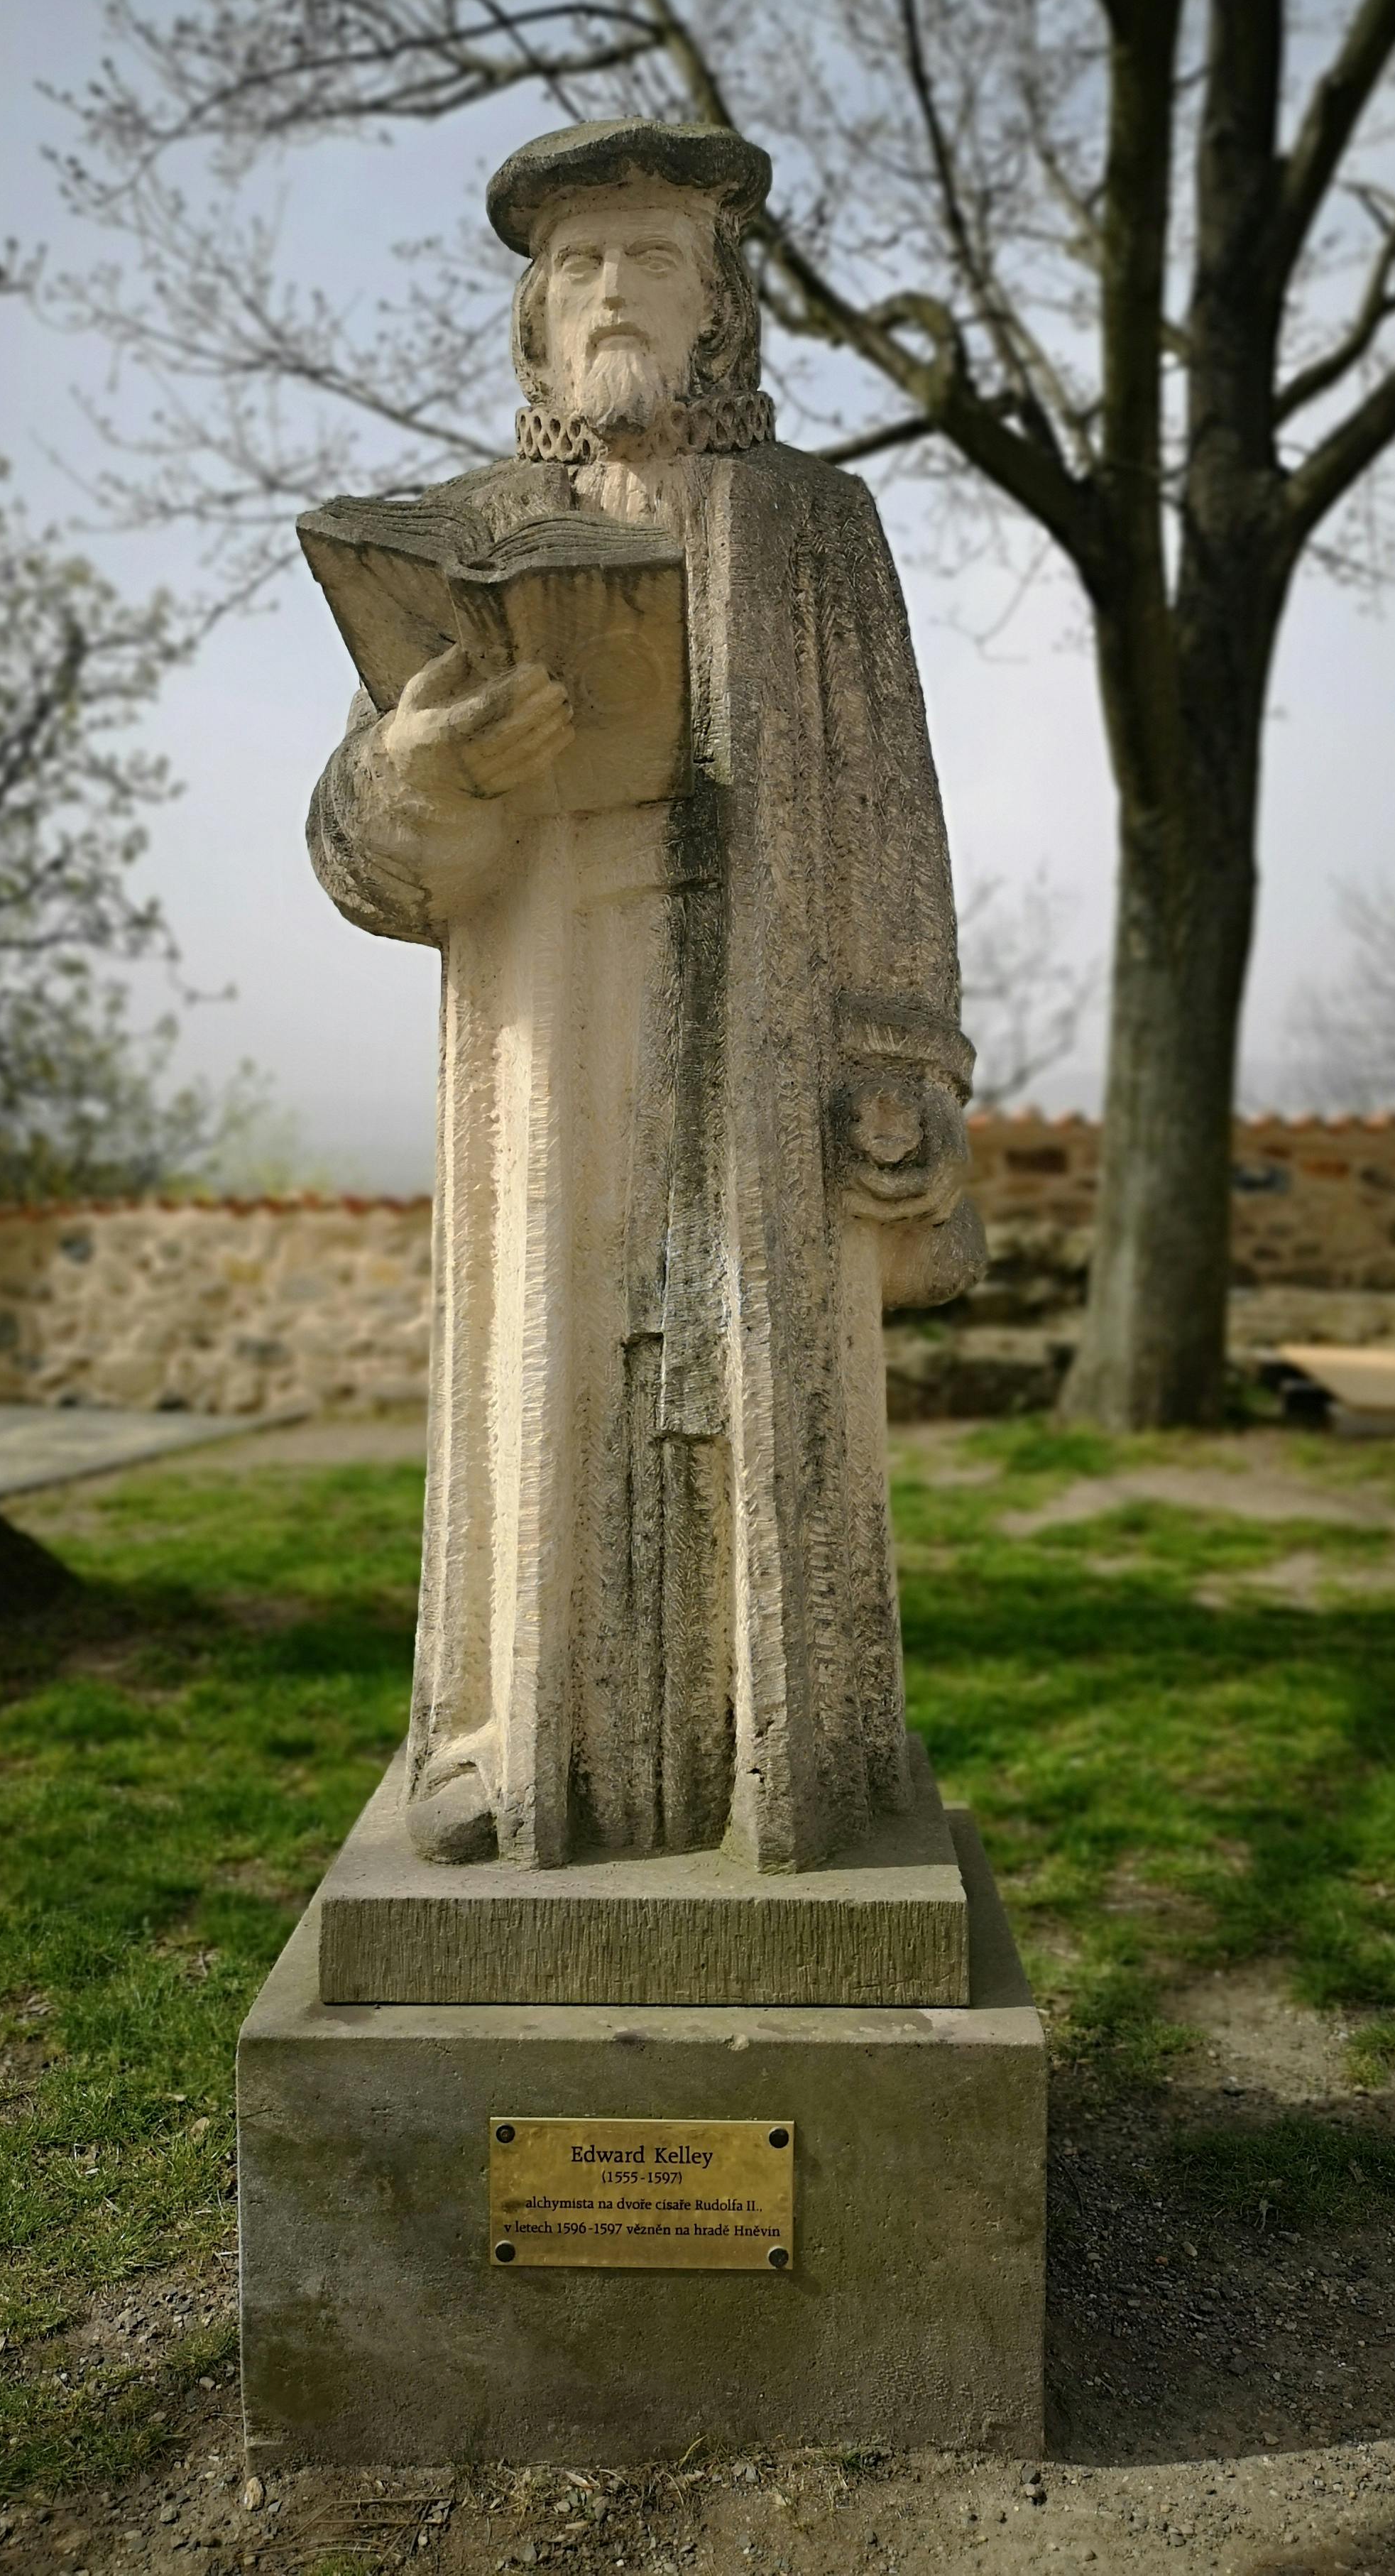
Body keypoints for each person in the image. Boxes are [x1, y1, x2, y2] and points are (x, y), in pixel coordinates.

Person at [308, 118, 983, 1872]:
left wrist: (901, 1049)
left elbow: (890, 804)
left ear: (719, 309)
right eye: (582, 267)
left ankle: (795, 1756)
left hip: (762, 1024)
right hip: (545, 1038)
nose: (616, 293)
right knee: (542, 1375)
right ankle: (513, 1753)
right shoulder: (474, 535)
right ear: (538, 319)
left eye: (654, 262)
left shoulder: (819, 530)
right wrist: (423, 766)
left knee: (763, 1396)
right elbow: (361, 853)